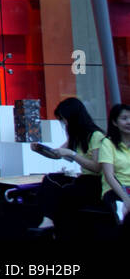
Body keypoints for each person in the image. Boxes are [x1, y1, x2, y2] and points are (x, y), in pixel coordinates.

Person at [30, 97, 107, 232]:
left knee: (65, 192)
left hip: (95, 181)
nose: (64, 123)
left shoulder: (96, 135)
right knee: (49, 180)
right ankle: (47, 220)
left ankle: (55, 224)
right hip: (83, 178)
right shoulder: (76, 136)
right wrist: (41, 150)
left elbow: (97, 167)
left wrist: (72, 154)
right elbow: (57, 154)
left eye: (64, 119)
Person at [98, 104, 130, 222]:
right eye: (124, 118)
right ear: (115, 122)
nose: (129, 122)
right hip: (115, 190)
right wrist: (126, 198)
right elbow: (109, 176)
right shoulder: (108, 143)